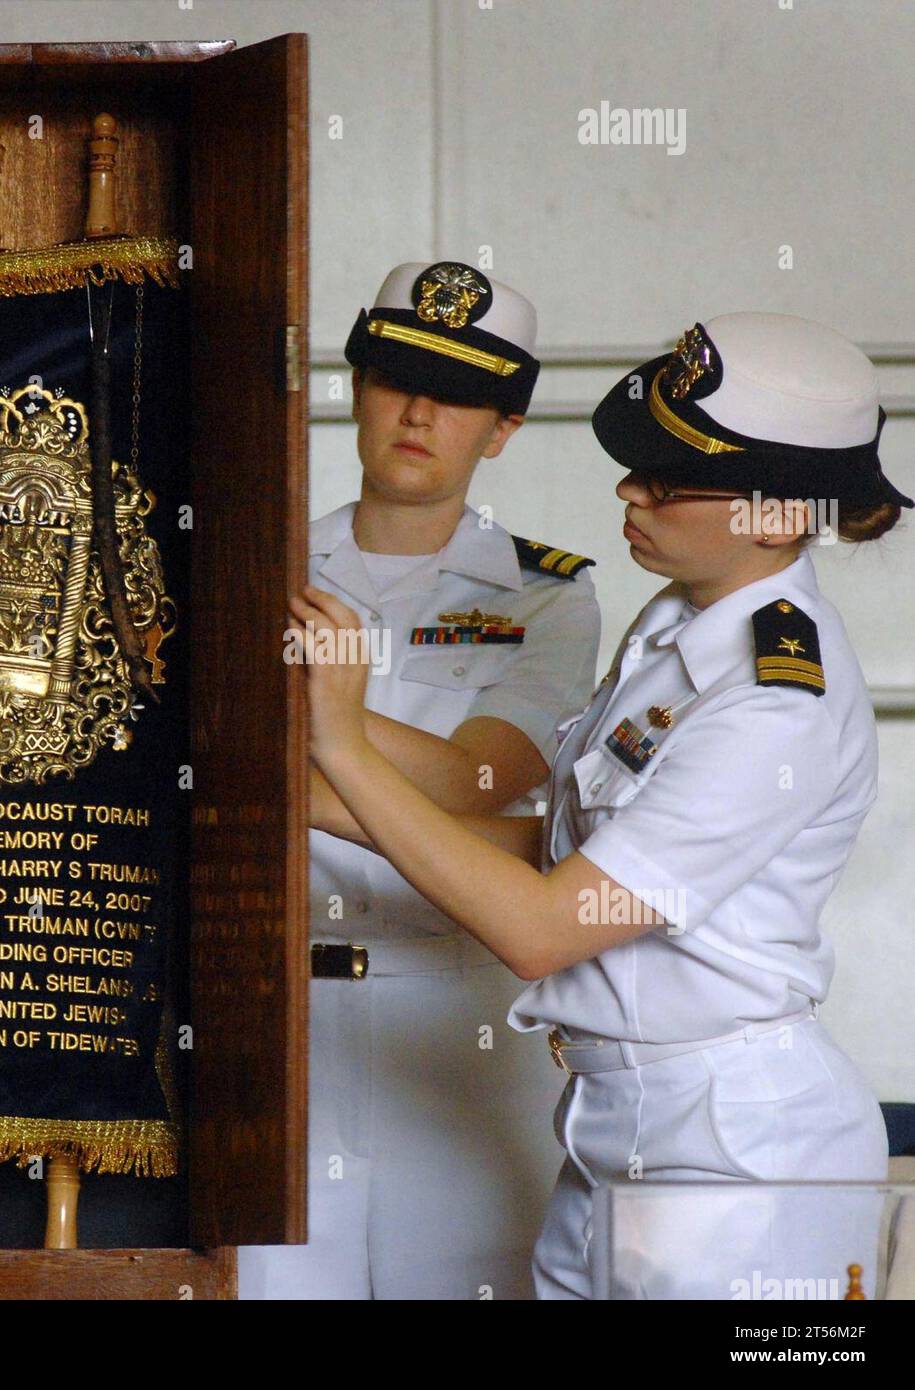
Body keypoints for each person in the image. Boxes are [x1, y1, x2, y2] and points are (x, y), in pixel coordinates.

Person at [291, 311, 912, 1300]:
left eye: (667, 478)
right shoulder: (682, 622)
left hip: (737, 1157)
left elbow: (544, 926)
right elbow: (555, 846)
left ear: (776, 512)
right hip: (618, 1122)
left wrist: (338, 743)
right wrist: (304, 789)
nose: (629, 490)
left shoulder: (775, 698)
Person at [238, 261, 600, 1299]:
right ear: (355, 386)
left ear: (503, 427)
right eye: (396, 373)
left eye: (461, 392)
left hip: (453, 1028)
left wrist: (326, 722)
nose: (421, 409)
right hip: (278, 1021)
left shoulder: (547, 596)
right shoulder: (254, 569)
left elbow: (482, 778)